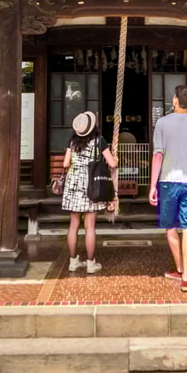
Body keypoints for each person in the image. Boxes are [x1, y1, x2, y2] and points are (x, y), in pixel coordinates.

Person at [149, 85, 187, 292]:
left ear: (175, 100)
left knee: (171, 226)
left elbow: (158, 155)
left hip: (167, 181)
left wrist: (152, 185)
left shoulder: (163, 123)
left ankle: (180, 267)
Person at [60, 110, 118, 273]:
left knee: (73, 225)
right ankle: (91, 263)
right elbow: (112, 163)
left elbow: (65, 164)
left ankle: (73, 262)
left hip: (73, 184)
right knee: (90, 226)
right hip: (91, 185)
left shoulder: (72, 142)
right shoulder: (99, 141)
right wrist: (115, 159)